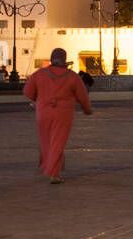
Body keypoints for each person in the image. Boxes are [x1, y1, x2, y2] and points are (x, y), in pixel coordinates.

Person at [22, 48, 94, 184]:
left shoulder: (39, 74)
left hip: (43, 113)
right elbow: (83, 96)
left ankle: (49, 165)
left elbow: (27, 92)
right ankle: (54, 173)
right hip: (63, 114)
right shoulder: (72, 76)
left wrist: (40, 98)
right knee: (58, 141)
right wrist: (87, 109)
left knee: (46, 141)